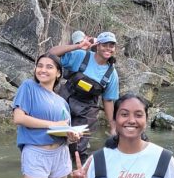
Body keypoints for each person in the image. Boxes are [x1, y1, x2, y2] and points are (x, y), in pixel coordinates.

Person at [12, 53, 82, 178]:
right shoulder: (28, 87)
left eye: (49, 67)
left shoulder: (62, 102)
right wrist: (53, 124)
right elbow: (19, 118)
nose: (43, 70)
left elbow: (64, 131)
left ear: (58, 73)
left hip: (61, 155)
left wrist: (72, 135)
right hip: (36, 153)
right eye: (40, 65)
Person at [49, 31, 120, 163]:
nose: (108, 49)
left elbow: (108, 100)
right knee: (53, 138)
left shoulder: (112, 74)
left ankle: (75, 176)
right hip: (64, 102)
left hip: (87, 112)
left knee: (77, 149)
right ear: (97, 45)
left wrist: (113, 126)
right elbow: (52, 53)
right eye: (105, 45)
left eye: (111, 46)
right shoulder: (81, 56)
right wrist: (78, 46)